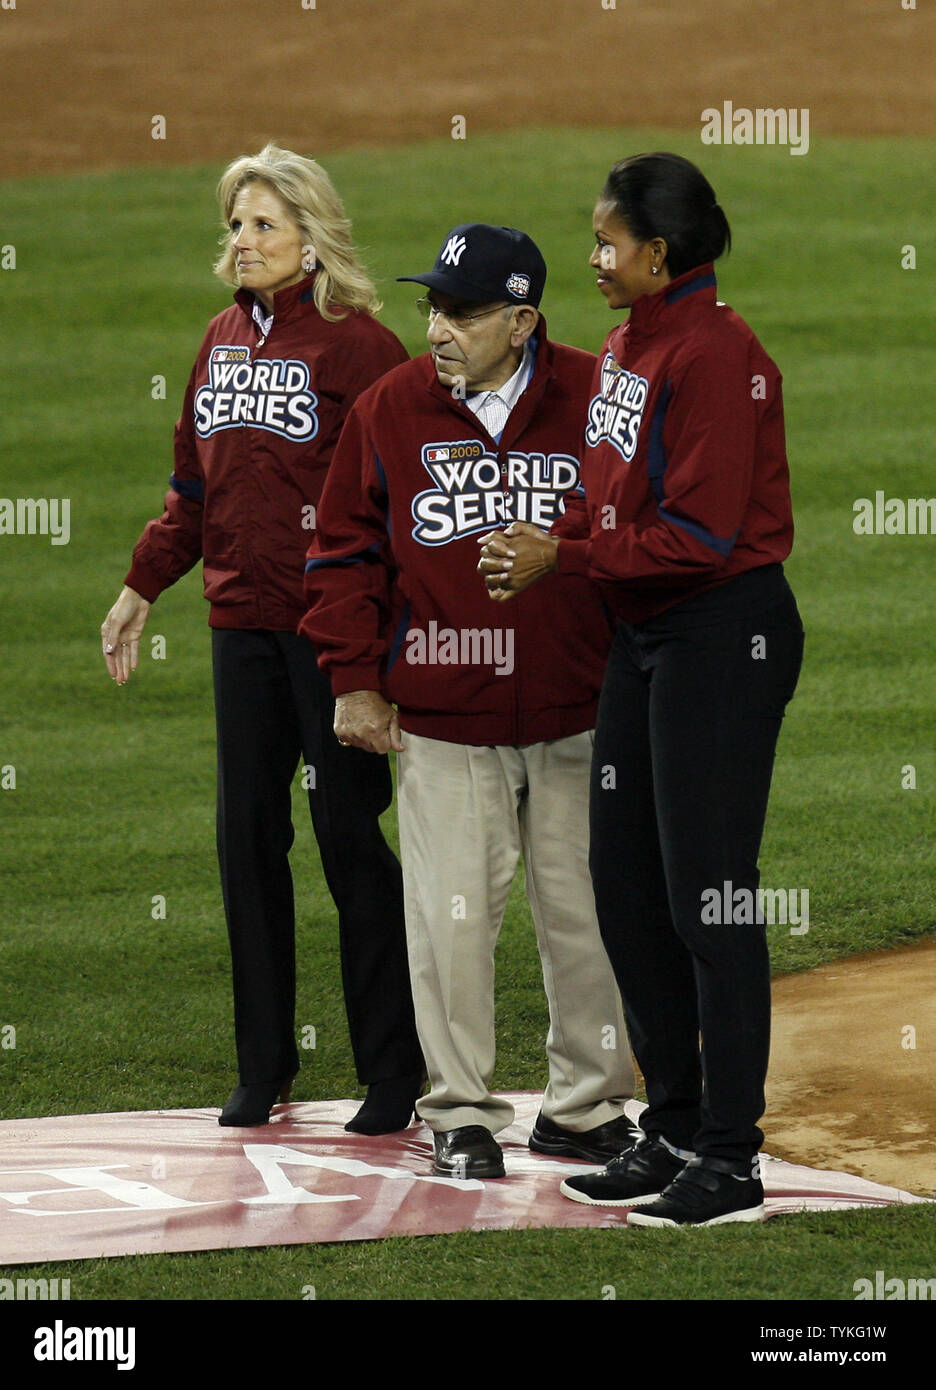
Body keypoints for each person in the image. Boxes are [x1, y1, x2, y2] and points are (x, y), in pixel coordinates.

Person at [478, 154, 804, 1224]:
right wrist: (559, 536)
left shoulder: (717, 356)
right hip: (644, 634)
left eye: (607, 242)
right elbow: (618, 503)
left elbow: (703, 537)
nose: (592, 258)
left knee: (709, 894)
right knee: (625, 885)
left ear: (659, 254)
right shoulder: (629, 344)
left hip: (720, 633)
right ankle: (668, 1126)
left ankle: (731, 1154)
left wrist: (561, 561)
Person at [100, 143, 424, 1131]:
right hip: (239, 628)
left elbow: (397, 503)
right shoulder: (219, 342)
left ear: (311, 237)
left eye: (263, 225)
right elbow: (193, 491)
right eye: (236, 224)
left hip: (327, 638)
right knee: (247, 839)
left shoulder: (361, 349)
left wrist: (383, 648)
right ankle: (263, 1065)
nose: (242, 241)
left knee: (345, 839)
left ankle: (391, 1072)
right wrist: (140, 585)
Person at [302, 223, 636, 1179]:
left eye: (463, 312)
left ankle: (583, 1107)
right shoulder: (390, 407)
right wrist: (356, 677)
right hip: (445, 714)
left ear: (523, 320)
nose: (438, 329)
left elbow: (634, 532)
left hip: (582, 707)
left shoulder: (594, 398)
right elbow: (343, 551)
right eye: (433, 308)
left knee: (589, 918)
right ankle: (460, 1116)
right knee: (449, 924)